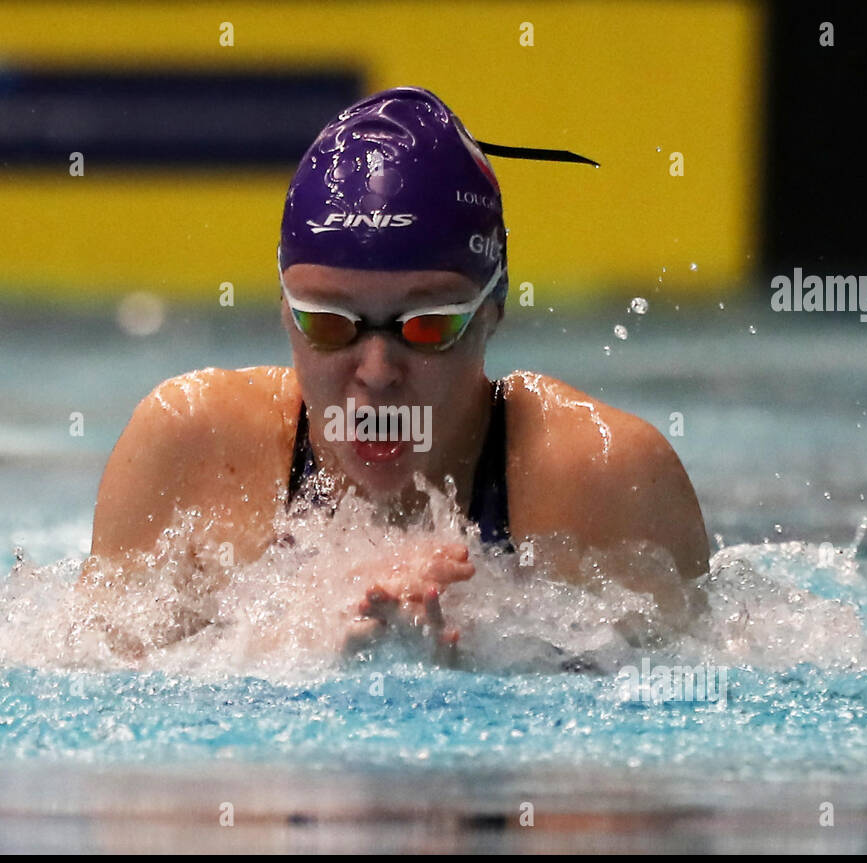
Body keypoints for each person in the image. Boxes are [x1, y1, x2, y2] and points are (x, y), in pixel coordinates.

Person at [80, 87, 709, 661]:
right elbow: (91, 693)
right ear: (283, 311)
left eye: (428, 325)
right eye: (329, 325)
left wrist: (484, 673)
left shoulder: (606, 481)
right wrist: (297, 648)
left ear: (493, 310)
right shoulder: (190, 448)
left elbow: (689, 711)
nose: (377, 374)